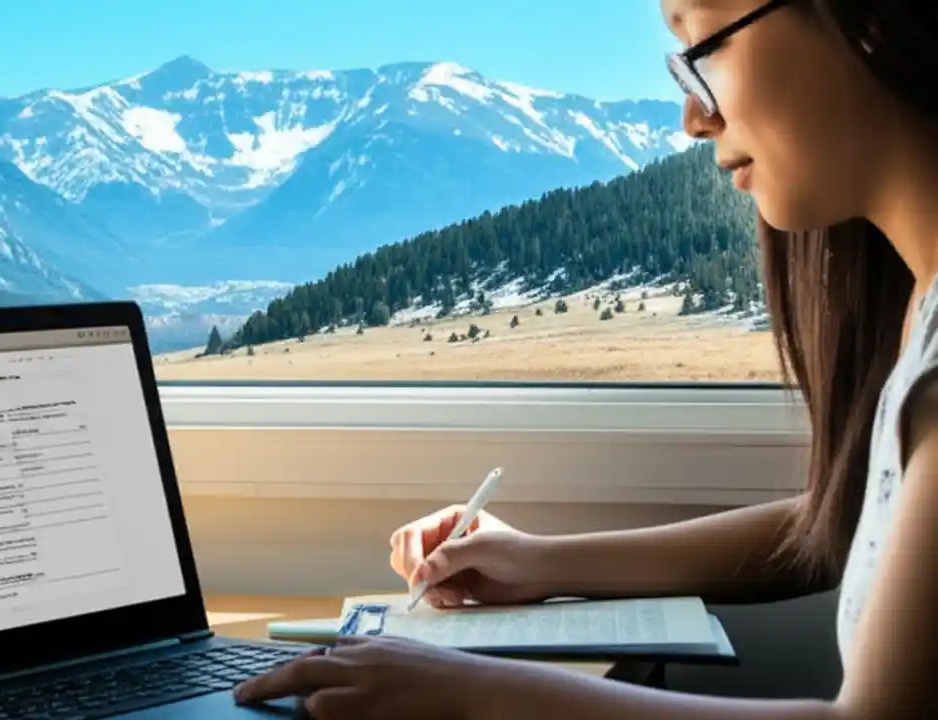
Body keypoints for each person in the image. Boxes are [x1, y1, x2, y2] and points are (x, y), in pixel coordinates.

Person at [233, 0, 938, 717]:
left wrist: (468, 690)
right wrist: (544, 562)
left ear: (867, 18)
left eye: (701, 47)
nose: (693, 118)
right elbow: (844, 517)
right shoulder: (919, 304)